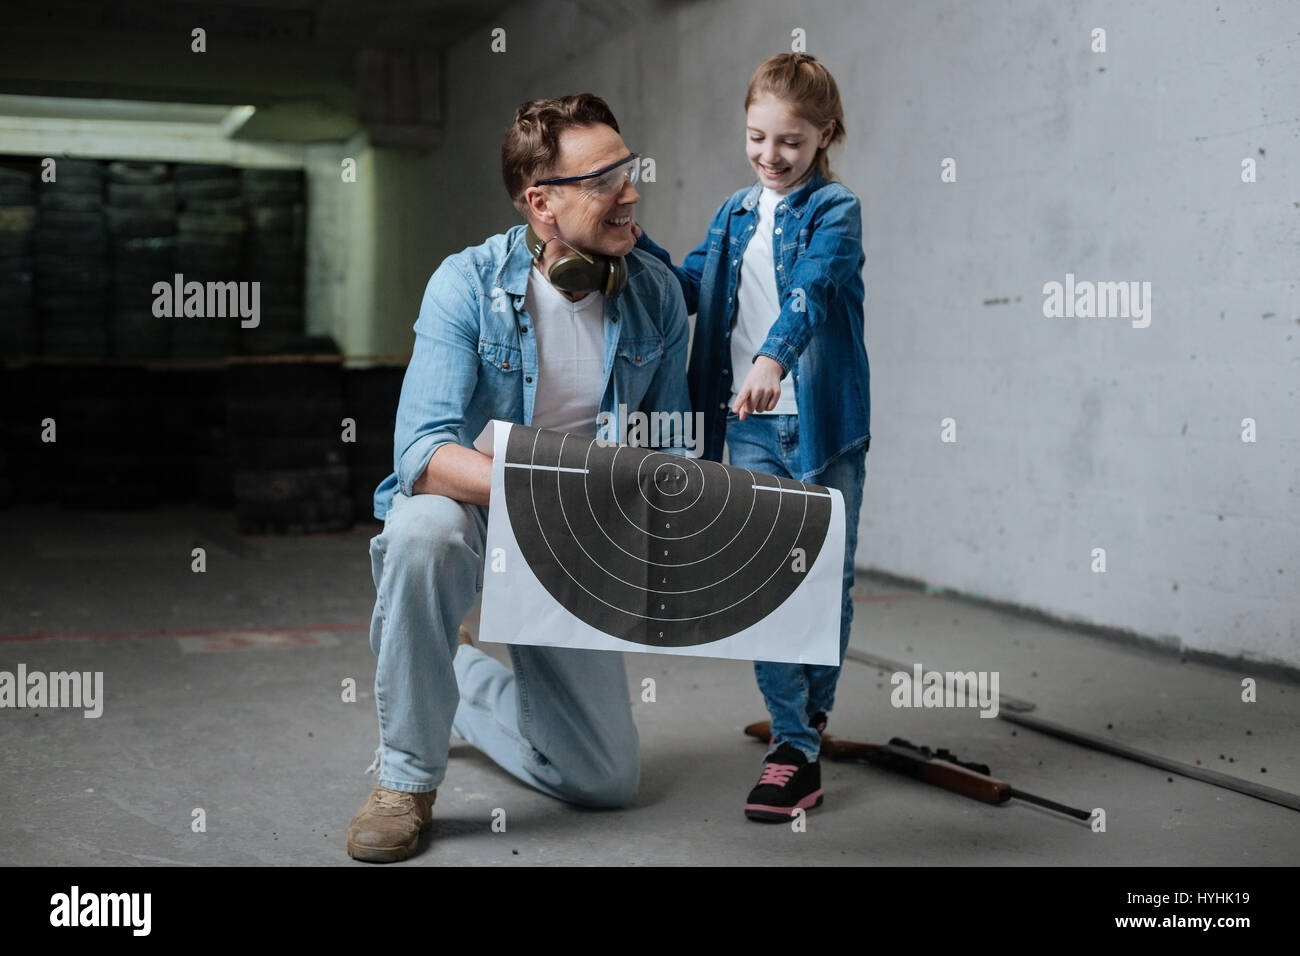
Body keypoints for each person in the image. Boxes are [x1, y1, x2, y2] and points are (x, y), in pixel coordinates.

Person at [347, 93, 691, 862]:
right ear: (541, 203)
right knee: (421, 532)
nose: (631, 193)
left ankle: (459, 682)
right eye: (604, 180)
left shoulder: (657, 299)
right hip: (474, 505)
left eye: (628, 170)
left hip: (573, 533)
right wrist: (554, 481)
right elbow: (424, 454)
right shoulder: (465, 285)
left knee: (604, 780)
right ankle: (405, 776)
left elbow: (671, 450)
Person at [636, 53, 871, 822]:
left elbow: (815, 286)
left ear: (824, 136)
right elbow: (694, 285)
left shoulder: (836, 210)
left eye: (791, 142)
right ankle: (794, 747)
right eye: (757, 137)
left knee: (826, 581)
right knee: (768, 583)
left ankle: (808, 711)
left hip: (823, 420)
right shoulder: (735, 212)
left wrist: (773, 356)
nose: (771, 156)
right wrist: (631, 256)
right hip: (748, 425)